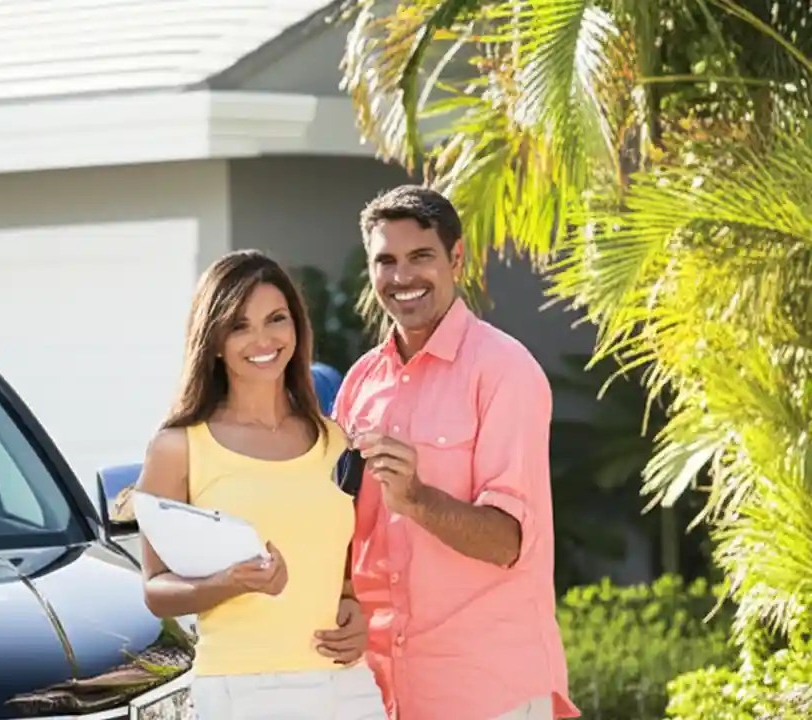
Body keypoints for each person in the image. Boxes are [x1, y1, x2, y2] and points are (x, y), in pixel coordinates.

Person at [332, 186, 580, 720]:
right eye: (386, 261)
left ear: (457, 258)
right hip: (379, 689)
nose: (402, 277)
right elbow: (342, 528)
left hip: (488, 690)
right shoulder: (359, 385)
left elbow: (508, 541)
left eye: (421, 256)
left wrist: (416, 499)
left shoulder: (504, 371)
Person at [136, 250, 385, 720]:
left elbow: (338, 568)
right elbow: (156, 590)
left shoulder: (335, 440)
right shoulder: (179, 446)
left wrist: (353, 606)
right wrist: (228, 583)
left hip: (348, 684)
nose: (264, 339)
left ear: (297, 328)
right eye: (240, 326)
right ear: (214, 341)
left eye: (276, 319)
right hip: (245, 688)